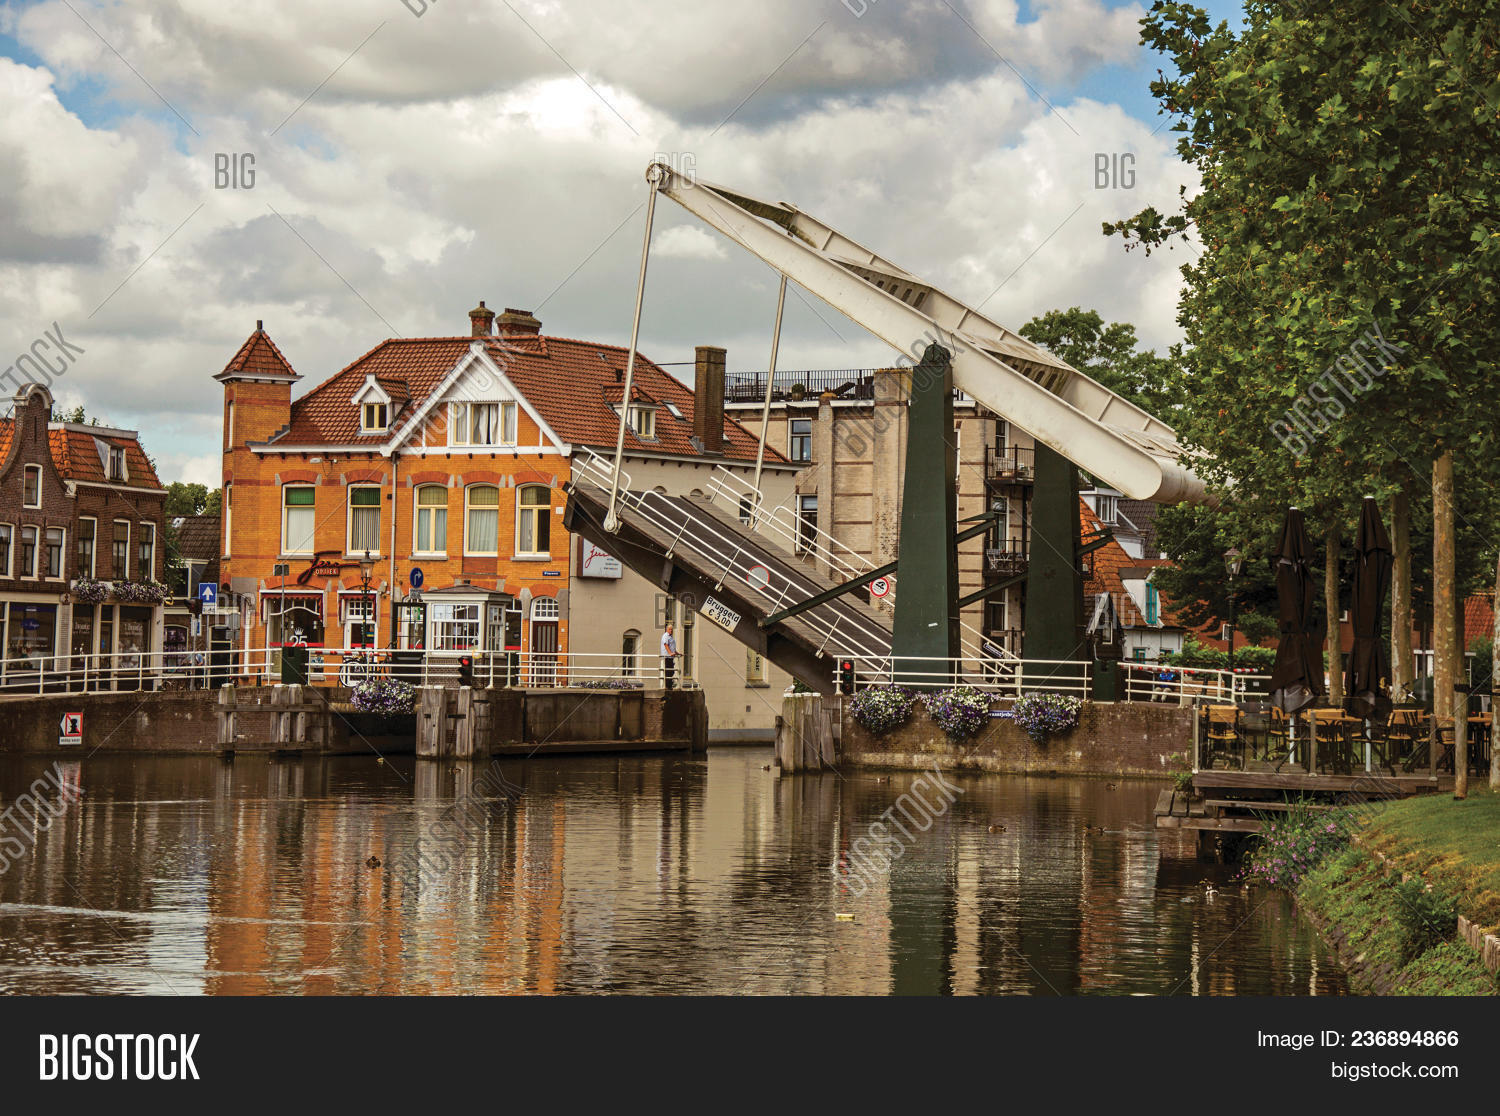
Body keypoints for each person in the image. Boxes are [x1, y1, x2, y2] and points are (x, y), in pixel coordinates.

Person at [661, 622, 679, 690]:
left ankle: (670, 685)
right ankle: (668, 686)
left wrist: (676, 652)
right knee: (668, 671)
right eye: (670, 629)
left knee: (671, 671)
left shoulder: (671, 637)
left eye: (672, 629)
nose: (671, 630)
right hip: (667, 656)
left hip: (670, 657)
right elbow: (666, 645)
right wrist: (670, 653)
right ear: (667, 629)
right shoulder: (665, 636)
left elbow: (672, 646)